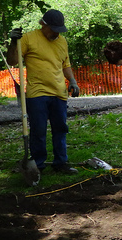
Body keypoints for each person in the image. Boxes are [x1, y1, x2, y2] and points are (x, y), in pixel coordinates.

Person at [5, 9, 81, 174]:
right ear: (43, 24)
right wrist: (13, 42)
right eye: (53, 29)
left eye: (59, 30)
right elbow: (12, 60)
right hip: (37, 93)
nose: (56, 33)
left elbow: (65, 64)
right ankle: (38, 165)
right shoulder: (28, 38)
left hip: (59, 93)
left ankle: (60, 163)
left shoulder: (62, 42)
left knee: (60, 128)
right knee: (38, 130)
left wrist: (73, 81)